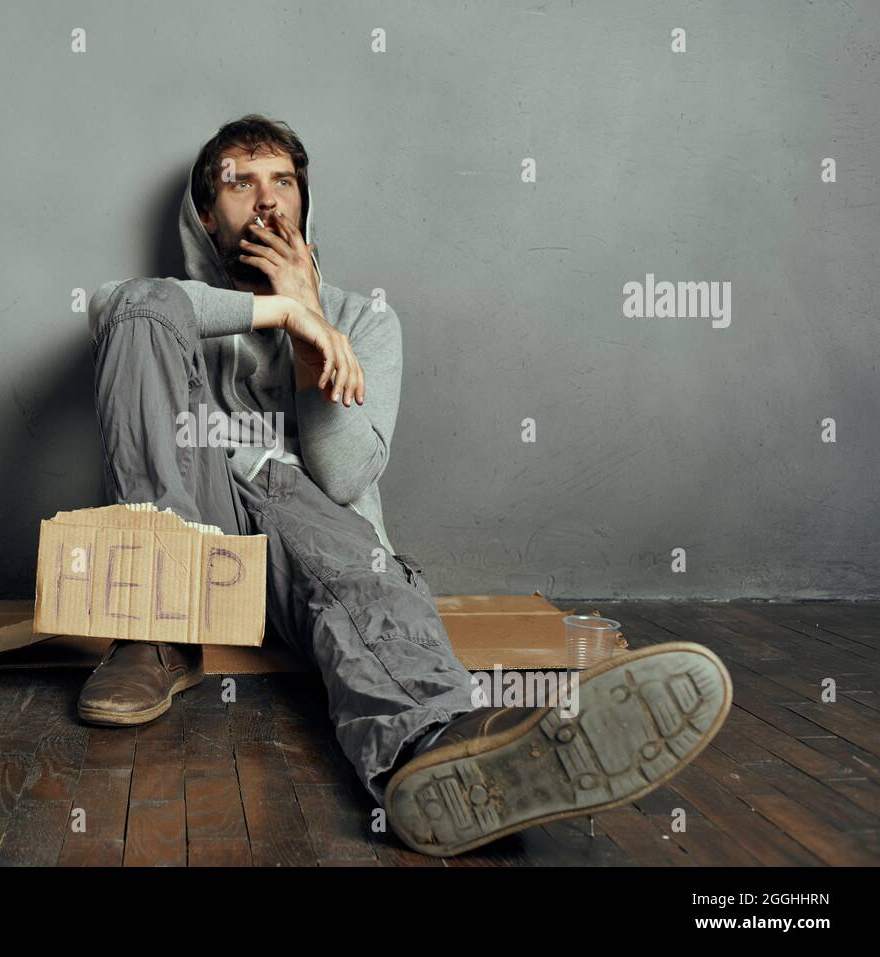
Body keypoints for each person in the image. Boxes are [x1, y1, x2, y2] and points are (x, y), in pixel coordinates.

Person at [78, 114, 732, 857]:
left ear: (305, 204)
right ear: (205, 214)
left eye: (282, 183)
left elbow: (345, 476)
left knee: (344, 547)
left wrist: (313, 324)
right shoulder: (172, 306)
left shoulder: (367, 321)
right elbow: (118, 309)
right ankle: (152, 633)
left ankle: (449, 754)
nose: (266, 202)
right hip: (197, 547)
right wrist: (281, 306)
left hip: (316, 548)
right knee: (152, 320)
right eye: (239, 184)